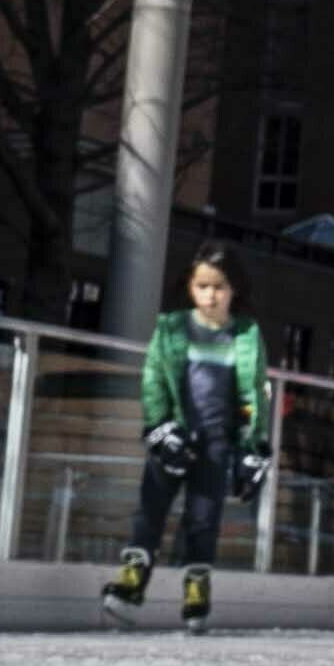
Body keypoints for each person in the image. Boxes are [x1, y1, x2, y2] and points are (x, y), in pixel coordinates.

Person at [103, 248, 271, 634]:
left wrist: (252, 446)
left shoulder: (246, 334)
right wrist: (160, 426)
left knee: (204, 516)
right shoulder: (171, 327)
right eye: (202, 286)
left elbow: (252, 397)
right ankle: (133, 575)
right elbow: (154, 379)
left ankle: (197, 584)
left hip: (216, 442)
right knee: (151, 508)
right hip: (175, 435)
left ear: (235, 289)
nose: (211, 296)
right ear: (190, 287)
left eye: (220, 287)